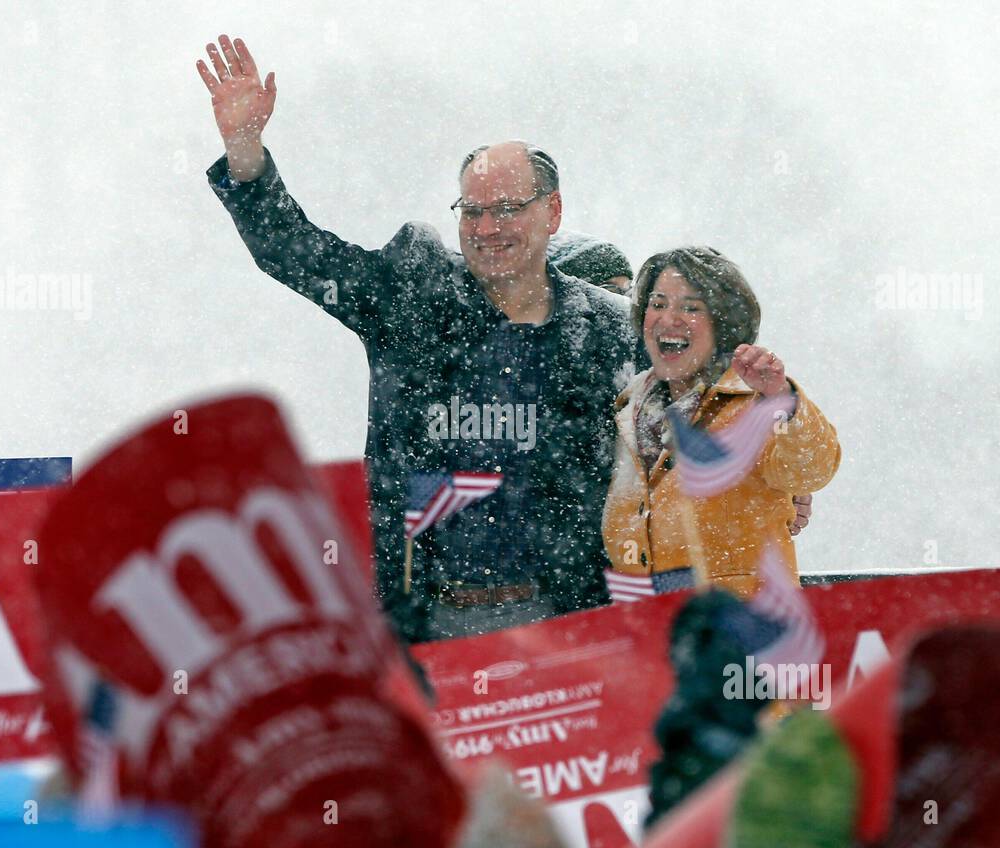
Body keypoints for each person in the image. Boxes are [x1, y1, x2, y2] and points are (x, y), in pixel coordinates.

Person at [196, 36, 637, 642]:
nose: (487, 229)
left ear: (552, 212)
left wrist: (776, 479)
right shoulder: (412, 300)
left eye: (507, 209)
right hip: (430, 621)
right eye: (472, 212)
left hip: (571, 618)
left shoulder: (609, 330)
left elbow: (686, 425)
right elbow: (293, 252)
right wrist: (244, 149)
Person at [602, 246, 840, 599]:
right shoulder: (626, 408)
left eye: (691, 307)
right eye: (658, 303)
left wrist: (780, 400)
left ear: (723, 323)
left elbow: (811, 470)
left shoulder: (755, 401)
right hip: (645, 635)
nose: (670, 318)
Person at [548, 233, 816, 538]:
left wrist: (775, 485)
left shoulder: (659, 372)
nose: (619, 303)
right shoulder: (540, 378)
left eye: (628, 291)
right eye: (606, 291)